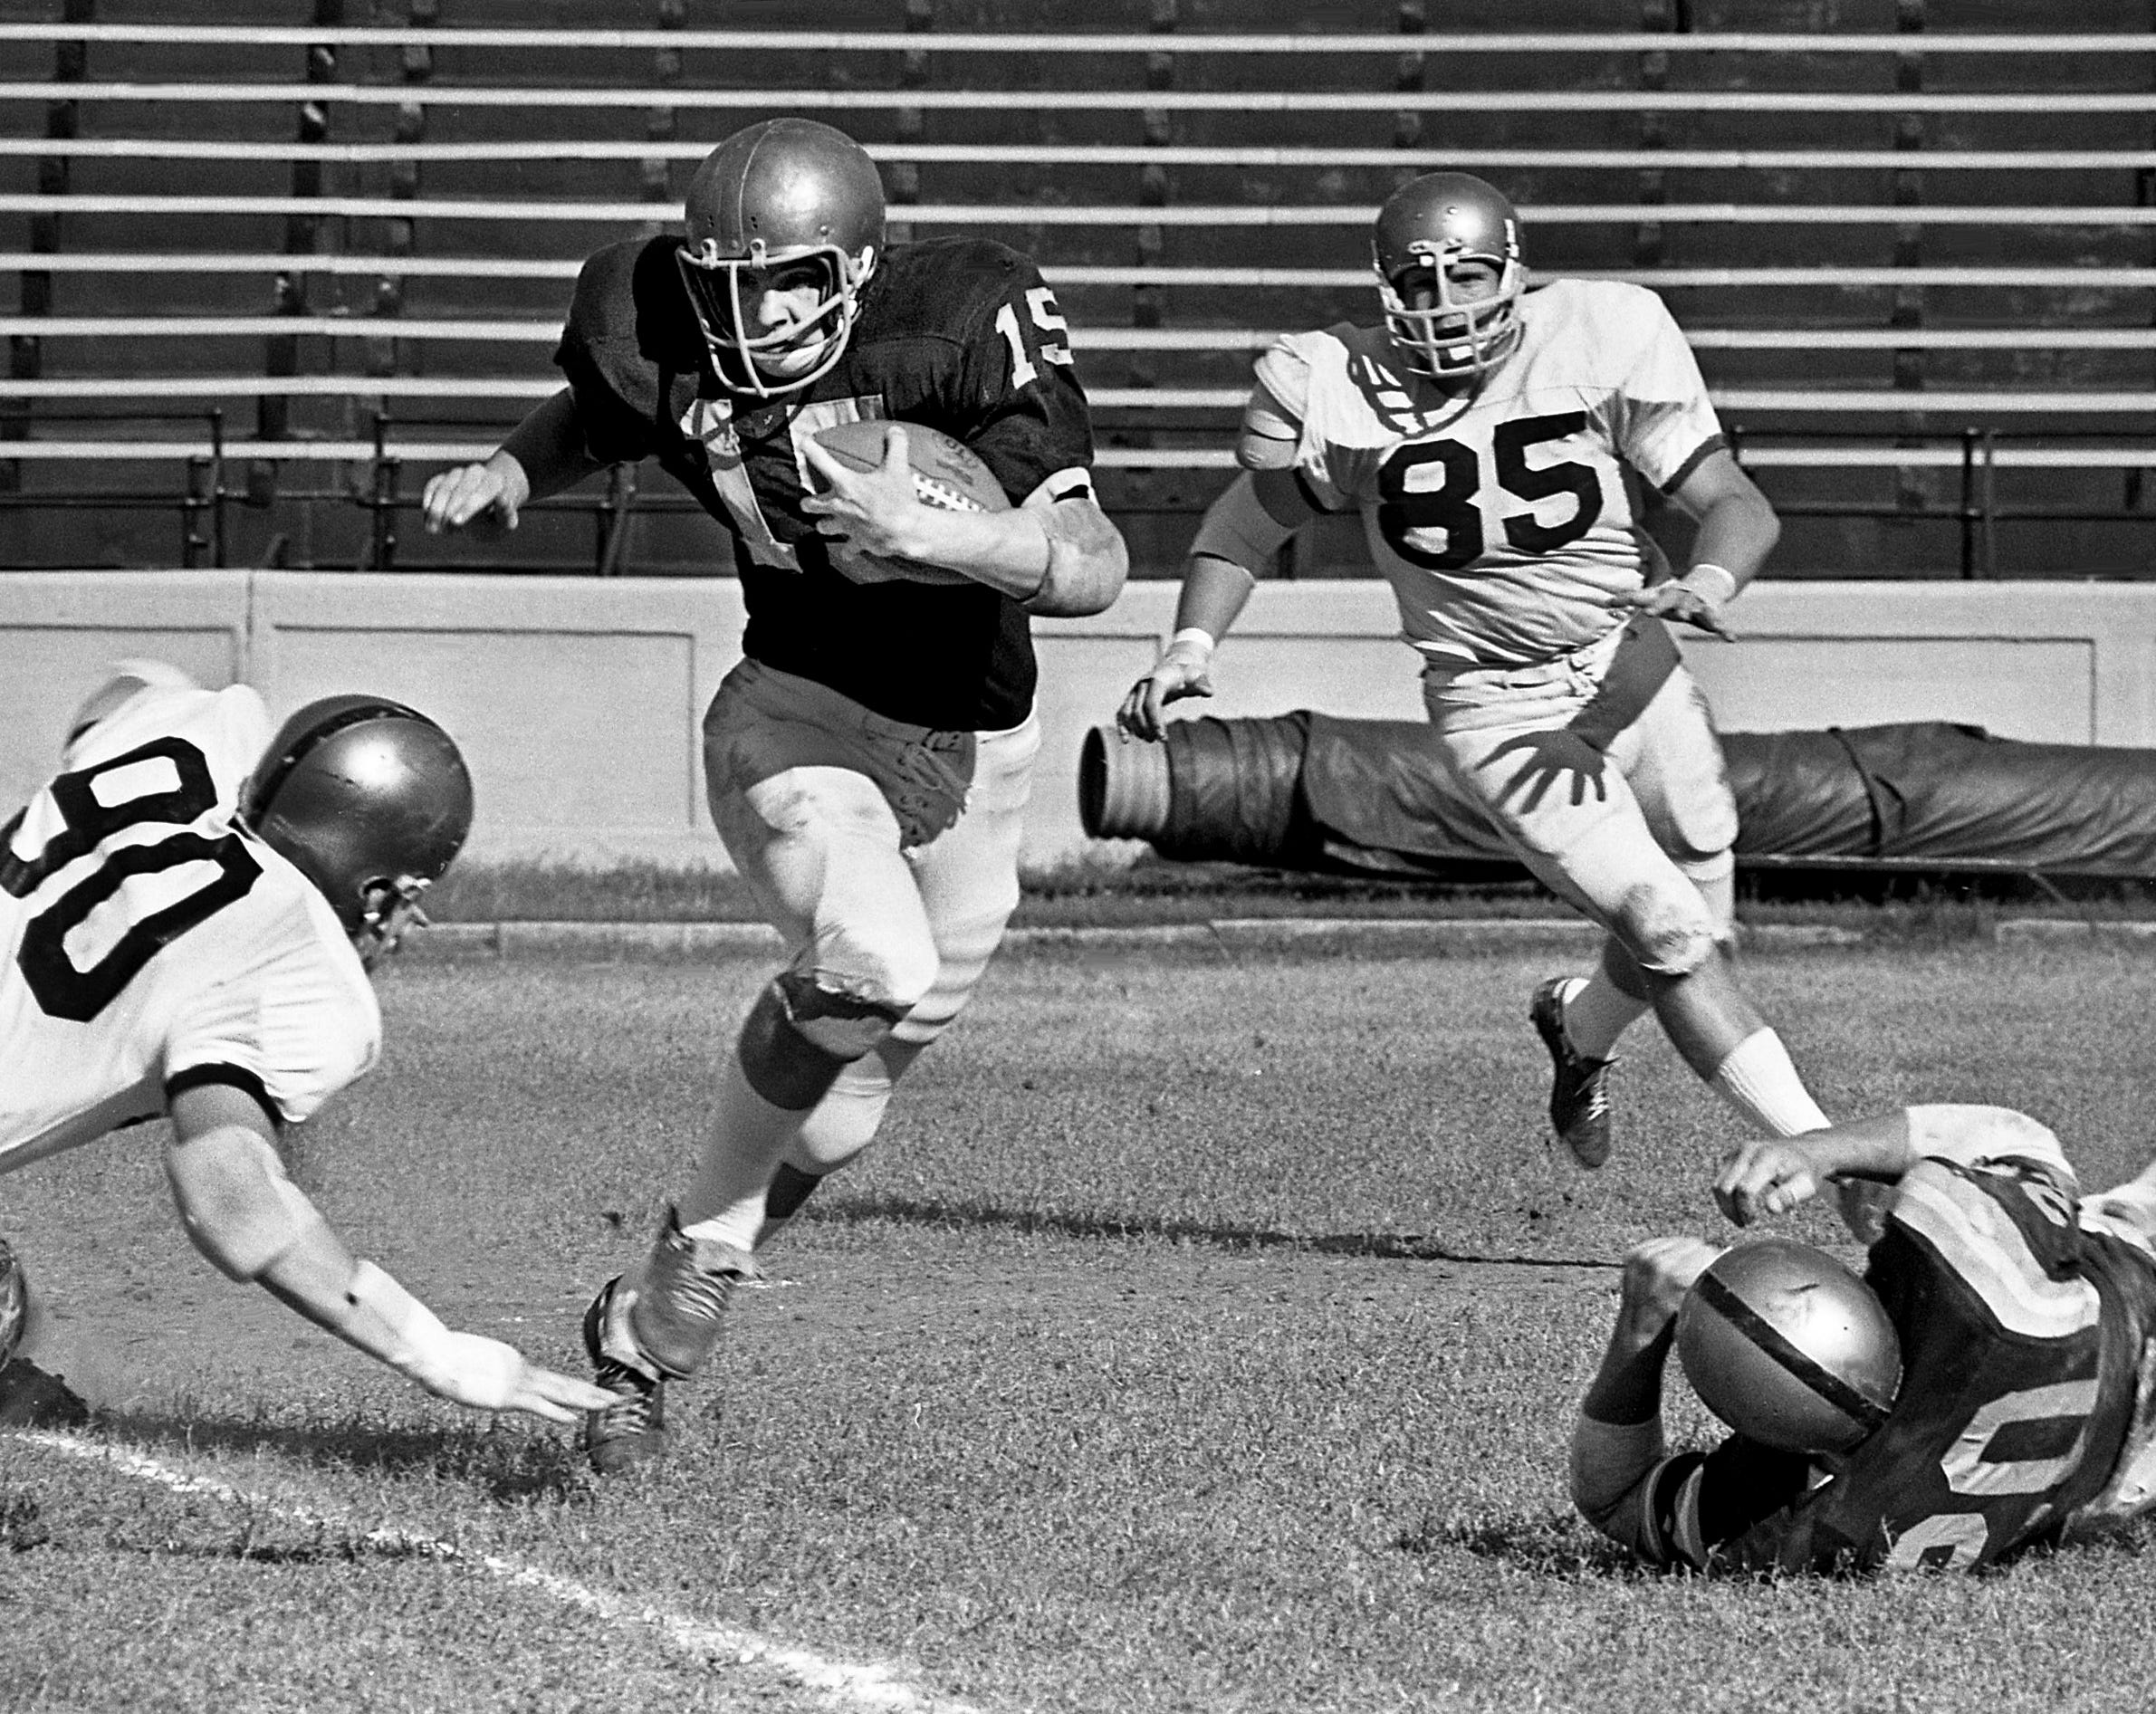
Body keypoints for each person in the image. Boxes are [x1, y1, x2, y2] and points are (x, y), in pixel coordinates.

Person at [418, 117, 1128, 1474]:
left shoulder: (960, 322)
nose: (757, 314)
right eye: (730, 283)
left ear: (859, 273)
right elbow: (601, 413)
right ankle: (690, 1287)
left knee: (851, 1110)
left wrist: (949, 536)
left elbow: (1094, 563)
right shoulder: (651, 321)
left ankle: (648, 1309)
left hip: (978, 744)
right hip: (793, 711)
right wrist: (515, 469)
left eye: (793, 282)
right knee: (868, 962)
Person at [1115, 170, 1831, 1172]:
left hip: (1632, 661)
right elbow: (1239, 531)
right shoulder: (1334, 386)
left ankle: (1578, 1029)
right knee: (1666, 927)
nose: (1443, 308)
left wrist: (1709, 578)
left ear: (1515, 271)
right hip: (1497, 701)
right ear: (1383, 292)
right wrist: (1190, 645)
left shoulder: (1603, 331)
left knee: (1695, 929)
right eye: (1417, 284)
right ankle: (1830, 1161)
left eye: (1467, 278)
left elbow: (1733, 500)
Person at [0, 659, 611, 1429]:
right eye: (413, 896)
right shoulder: (294, 960)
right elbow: (229, 1200)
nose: (409, 924)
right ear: (382, 889)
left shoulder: (192, 735)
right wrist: (437, 1351)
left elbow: (124, 688)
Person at [1570, 1104, 2156, 1573]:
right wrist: (1813, 1150)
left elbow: (1615, 1498)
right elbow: (2013, 1135)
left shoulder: (1796, 1524)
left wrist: (1642, 1328)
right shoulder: (1964, 1263)